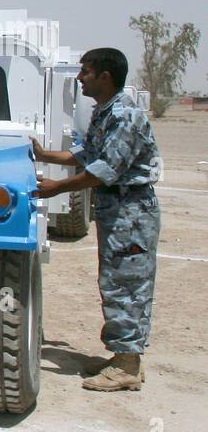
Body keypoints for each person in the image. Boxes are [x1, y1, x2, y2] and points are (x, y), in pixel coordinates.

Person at [33, 48, 160, 391]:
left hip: (130, 211)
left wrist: (57, 187)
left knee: (127, 284)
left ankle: (127, 366)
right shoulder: (105, 113)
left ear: (105, 76)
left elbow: (105, 170)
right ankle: (124, 357)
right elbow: (87, 153)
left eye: (86, 72)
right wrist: (46, 155)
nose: (79, 78)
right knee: (115, 280)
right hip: (117, 210)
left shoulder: (125, 116)